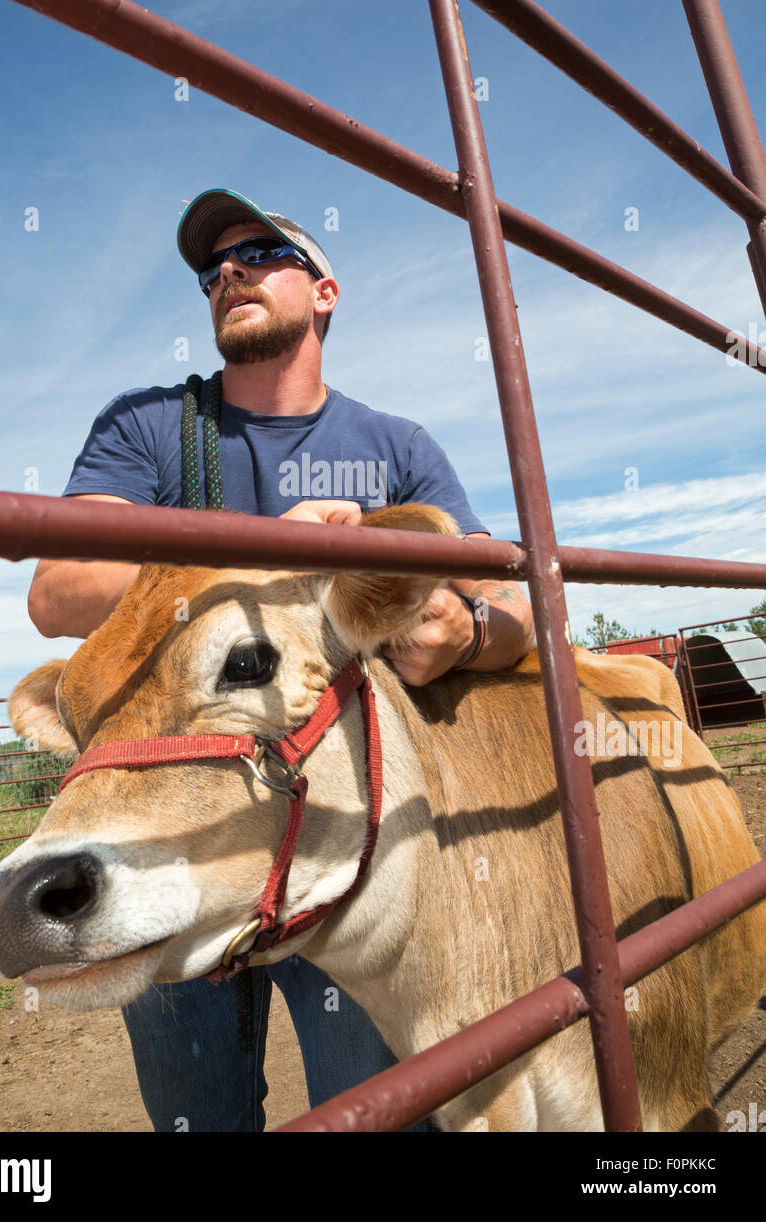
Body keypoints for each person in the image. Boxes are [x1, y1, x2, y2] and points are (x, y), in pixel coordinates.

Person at [27, 187, 534, 1131]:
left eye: (259, 253)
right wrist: (265, 547)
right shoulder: (148, 427)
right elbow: (58, 590)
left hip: (351, 850)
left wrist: (468, 630)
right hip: (179, 832)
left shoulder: (396, 446)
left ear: (326, 291)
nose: (229, 274)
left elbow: (513, 604)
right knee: (198, 1117)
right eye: (213, 269)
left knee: (368, 1112)